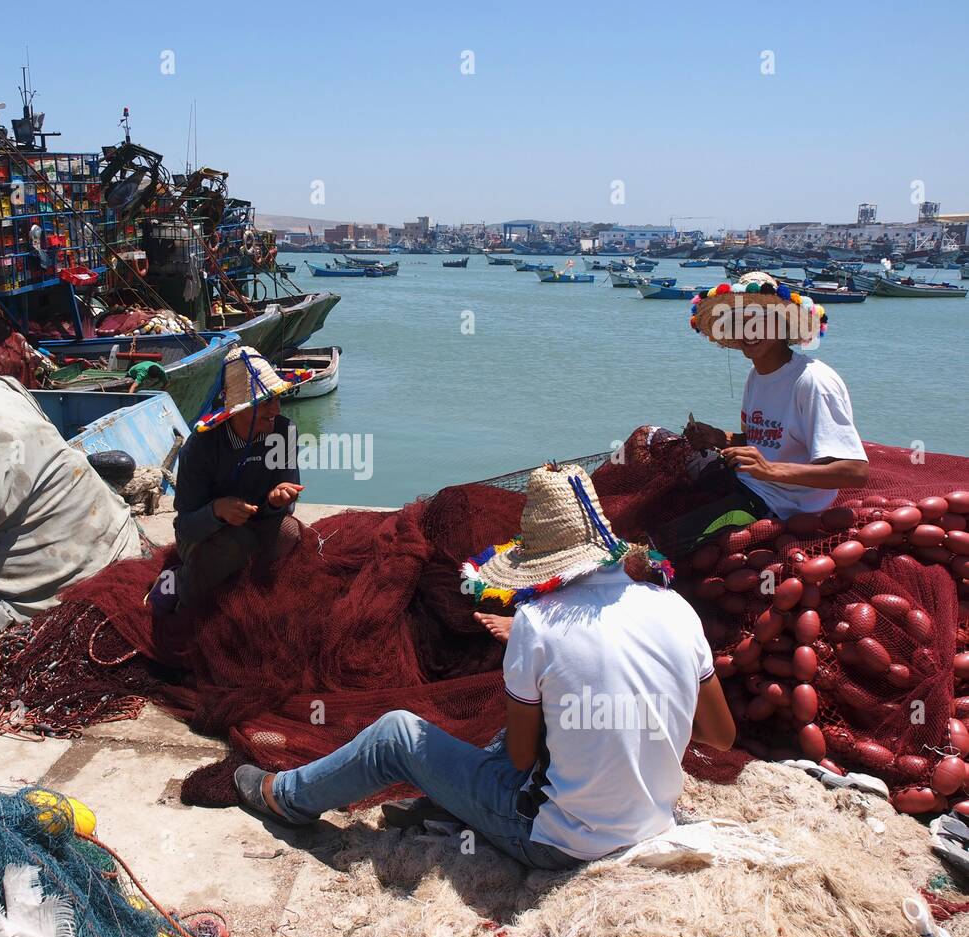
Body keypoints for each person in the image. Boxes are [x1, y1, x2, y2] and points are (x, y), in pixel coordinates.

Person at [233, 463, 736, 870]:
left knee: (396, 736)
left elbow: (519, 759)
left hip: (557, 842)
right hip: (651, 819)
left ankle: (287, 798)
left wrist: (529, 652)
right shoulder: (674, 607)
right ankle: (447, 801)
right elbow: (719, 737)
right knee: (521, 727)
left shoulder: (537, 623)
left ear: (540, 566)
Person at [667, 271, 868, 552]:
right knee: (658, 446)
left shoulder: (813, 381)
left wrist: (770, 470)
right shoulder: (756, 375)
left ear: (782, 324)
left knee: (670, 540)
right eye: (739, 321)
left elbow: (853, 472)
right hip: (743, 482)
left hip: (777, 504)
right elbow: (762, 443)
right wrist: (719, 437)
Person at [151, 346, 310, 614]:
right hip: (209, 536)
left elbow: (286, 507)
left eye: (278, 398)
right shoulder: (201, 446)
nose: (276, 408)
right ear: (237, 410)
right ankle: (182, 584)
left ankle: (242, 585)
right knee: (235, 545)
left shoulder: (284, 432)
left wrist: (277, 500)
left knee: (291, 534)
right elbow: (186, 526)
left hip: (259, 526)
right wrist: (216, 512)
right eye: (265, 402)